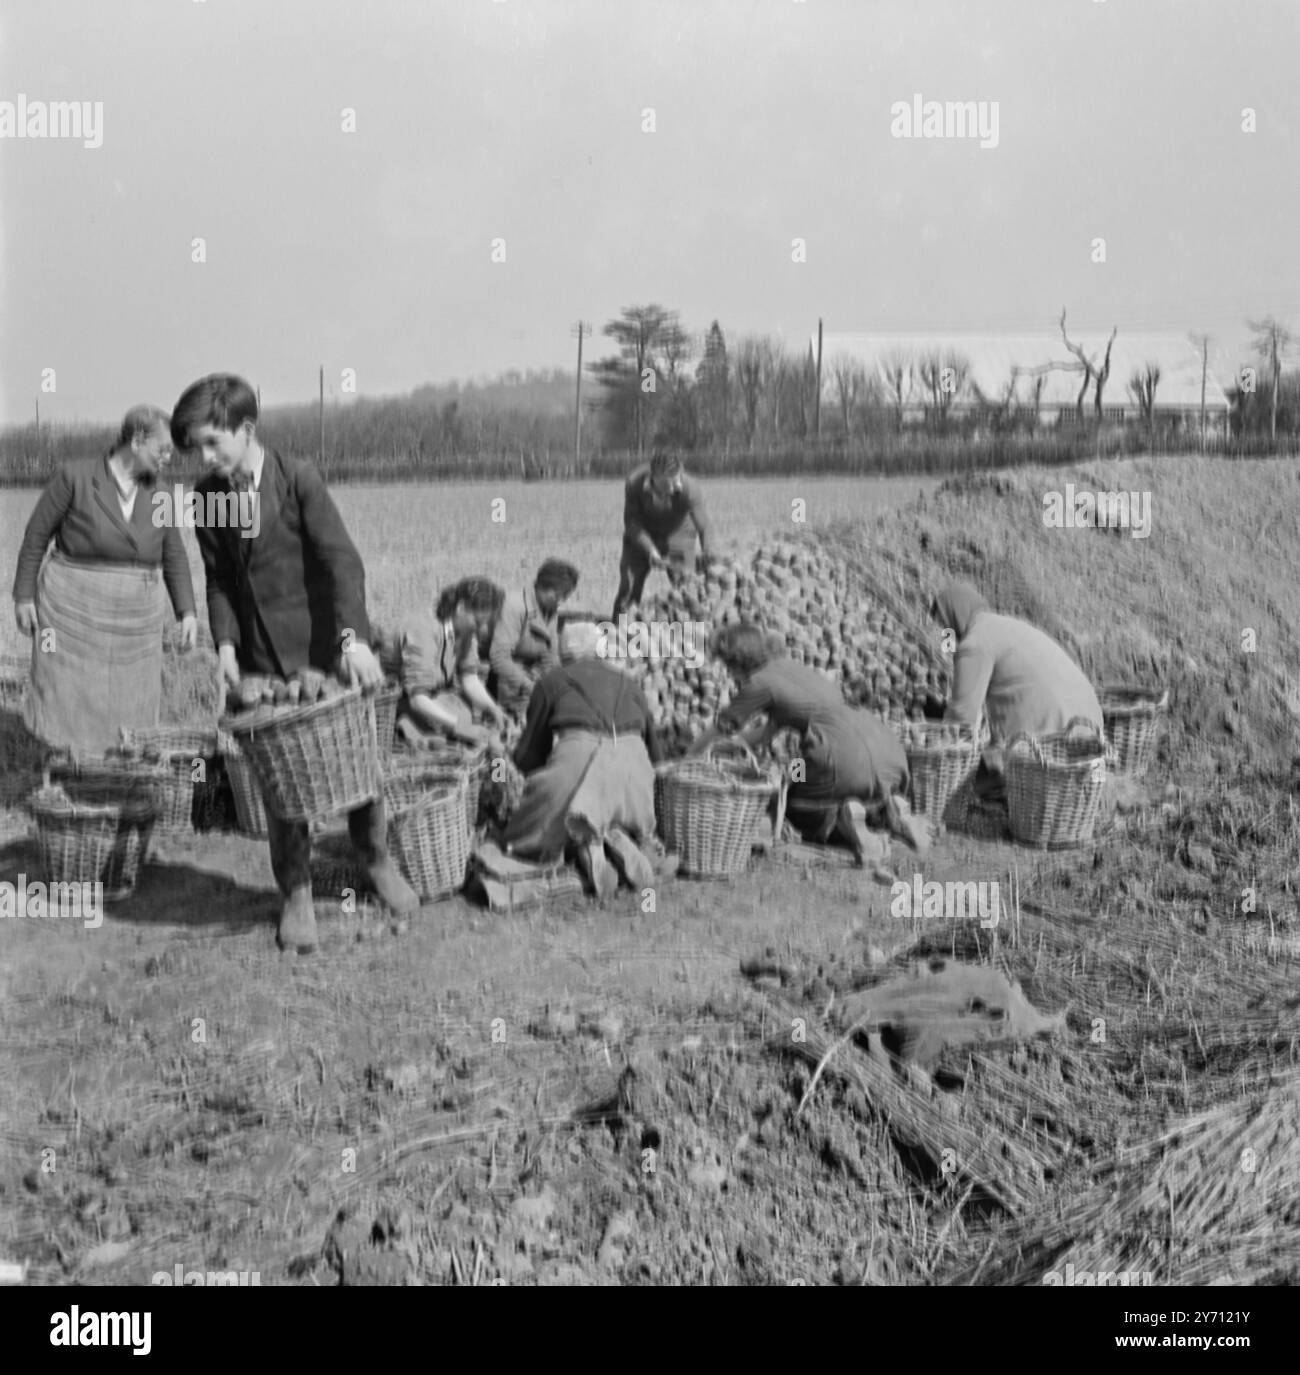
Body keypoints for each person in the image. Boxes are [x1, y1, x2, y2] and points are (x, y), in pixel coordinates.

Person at [172, 373, 417, 954]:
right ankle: (297, 891)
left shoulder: (297, 478)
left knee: (357, 766)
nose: (205, 459)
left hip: (322, 648)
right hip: (259, 656)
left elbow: (342, 564)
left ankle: (375, 861)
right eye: (197, 449)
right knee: (283, 782)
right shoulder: (209, 496)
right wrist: (225, 647)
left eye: (213, 444)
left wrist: (353, 640)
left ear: (246, 430)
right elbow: (221, 582)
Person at [11, 405, 198, 754]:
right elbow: (36, 535)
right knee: (67, 692)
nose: (169, 458)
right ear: (138, 440)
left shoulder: (162, 492)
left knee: (132, 699)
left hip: (137, 621)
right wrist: (23, 596)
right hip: (71, 612)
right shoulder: (74, 477)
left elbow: (173, 554)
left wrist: (187, 611)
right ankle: (66, 763)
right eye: (164, 449)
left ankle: (123, 767)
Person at [691, 624, 929, 863]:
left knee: (791, 801)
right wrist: (733, 749)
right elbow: (764, 734)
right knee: (797, 770)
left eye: (726, 666)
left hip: (838, 757)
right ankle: (887, 810)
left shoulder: (758, 684)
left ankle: (841, 823)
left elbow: (720, 728)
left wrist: (689, 758)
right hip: (885, 746)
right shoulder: (791, 668)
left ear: (735, 663)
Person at [500, 621, 667, 896]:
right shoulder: (629, 682)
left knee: (524, 832)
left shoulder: (551, 682)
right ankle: (617, 833)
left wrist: (508, 774)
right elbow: (655, 753)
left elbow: (531, 754)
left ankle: (588, 841)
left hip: (580, 756)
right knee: (606, 802)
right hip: (635, 775)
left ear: (563, 653)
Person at [929, 579, 1103, 798]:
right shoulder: (1006, 626)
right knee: (993, 761)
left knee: (972, 787)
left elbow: (961, 718)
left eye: (945, 627)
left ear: (954, 617)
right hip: (1094, 733)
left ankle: (1047, 790)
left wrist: (934, 751)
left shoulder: (974, 644)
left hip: (1055, 740)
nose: (946, 636)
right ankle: (1094, 787)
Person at [397, 577, 509, 750]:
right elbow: (418, 698)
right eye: (478, 622)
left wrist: (494, 708)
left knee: (469, 713)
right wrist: (460, 726)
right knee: (457, 725)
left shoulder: (466, 632)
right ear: (461, 608)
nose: (482, 628)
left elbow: (470, 679)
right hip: (405, 702)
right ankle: (414, 734)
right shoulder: (423, 628)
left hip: (436, 698)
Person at [612, 449, 715, 618]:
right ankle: (618, 634)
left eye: (677, 481)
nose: (677, 487)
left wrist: (708, 554)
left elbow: (705, 526)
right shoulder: (634, 483)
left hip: (679, 534)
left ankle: (690, 636)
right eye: (670, 484)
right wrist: (650, 550)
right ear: (654, 478)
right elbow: (631, 523)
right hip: (642, 534)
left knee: (687, 590)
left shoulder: (690, 488)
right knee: (628, 587)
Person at [487, 558, 579, 719]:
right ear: (543, 587)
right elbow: (499, 658)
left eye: (566, 596)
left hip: (529, 673)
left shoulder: (549, 609)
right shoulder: (514, 606)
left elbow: (550, 656)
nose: (562, 601)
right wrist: (531, 687)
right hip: (501, 676)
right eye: (558, 595)